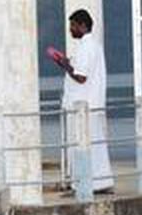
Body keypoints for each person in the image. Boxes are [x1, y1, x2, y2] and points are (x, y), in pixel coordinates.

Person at [54, 9, 112, 194]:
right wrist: (66, 62)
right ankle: (100, 182)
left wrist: (64, 65)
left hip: (83, 105)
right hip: (91, 104)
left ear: (82, 25)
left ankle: (82, 184)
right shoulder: (91, 46)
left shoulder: (87, 47)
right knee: (95, 145)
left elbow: (80, 77)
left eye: (73, 25)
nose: (70, 29)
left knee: (79, 146)